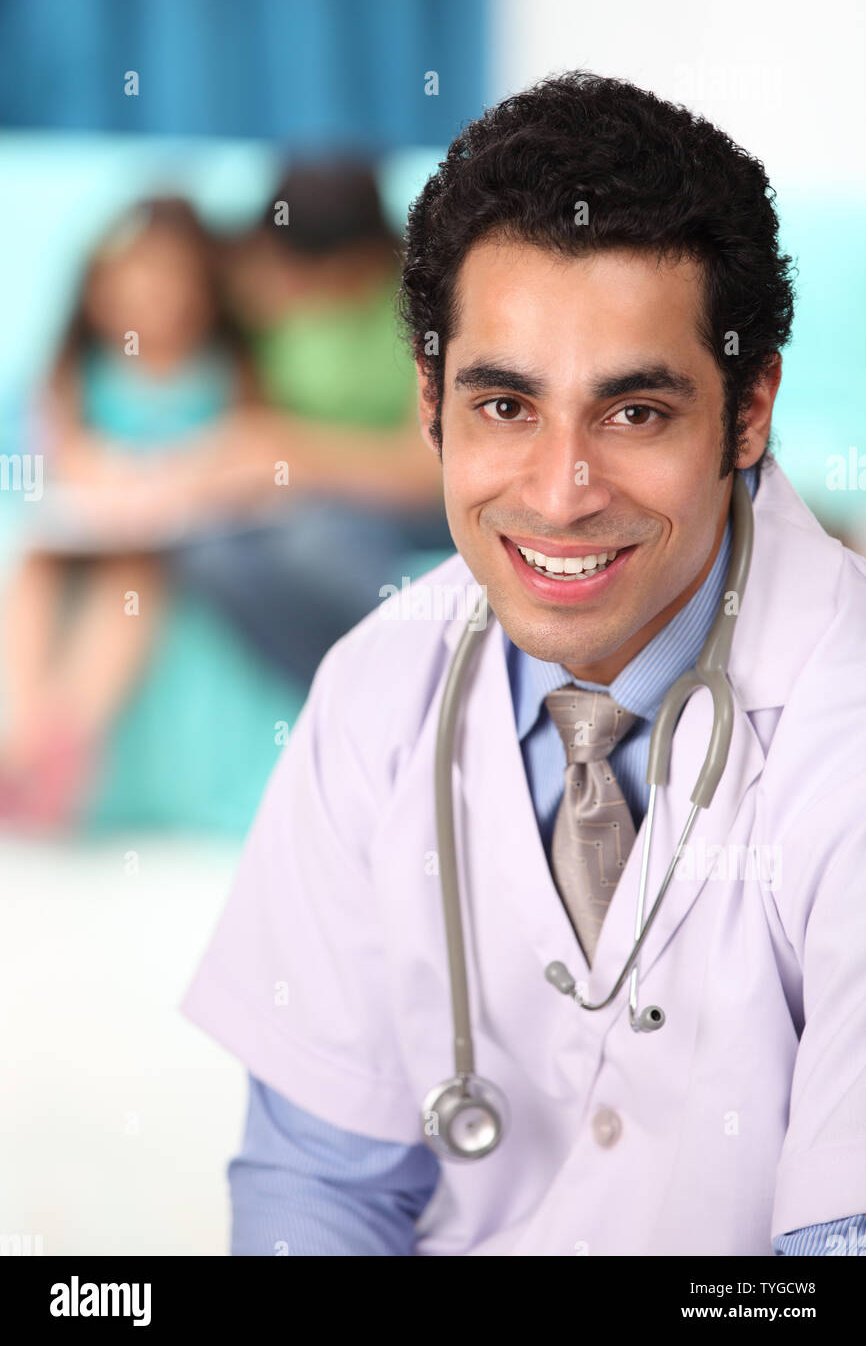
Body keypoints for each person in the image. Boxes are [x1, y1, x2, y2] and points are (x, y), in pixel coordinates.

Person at [180, 72, 866, 1256]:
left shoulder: (838, 722)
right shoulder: (372, 690)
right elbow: (320, 1189)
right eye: (504, 406)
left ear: (748, 408)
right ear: (431, 403)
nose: (559, 493)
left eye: (633, 413)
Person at [0, 197, 253, 829]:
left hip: (154, 540)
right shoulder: (77, 373)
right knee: (32, 565)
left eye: (173, 285)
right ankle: (16, 737)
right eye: (133, 286)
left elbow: (237, 456)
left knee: (132, 580)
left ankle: (65, 734)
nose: (153, 304)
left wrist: (170, 485)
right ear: (97, 294)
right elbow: (63, 454)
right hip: (77, 532)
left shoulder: (223, 373)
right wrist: (104, 479)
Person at [162, 157, 452, 688]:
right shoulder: (253, 284)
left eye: (316, 277)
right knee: (208, 550)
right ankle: (334, 692)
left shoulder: (424, 304)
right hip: (287, 496)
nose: (293, 288)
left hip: (396, 500)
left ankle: (424, 679)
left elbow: (433, 471)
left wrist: (295, 457)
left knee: (316, 541)